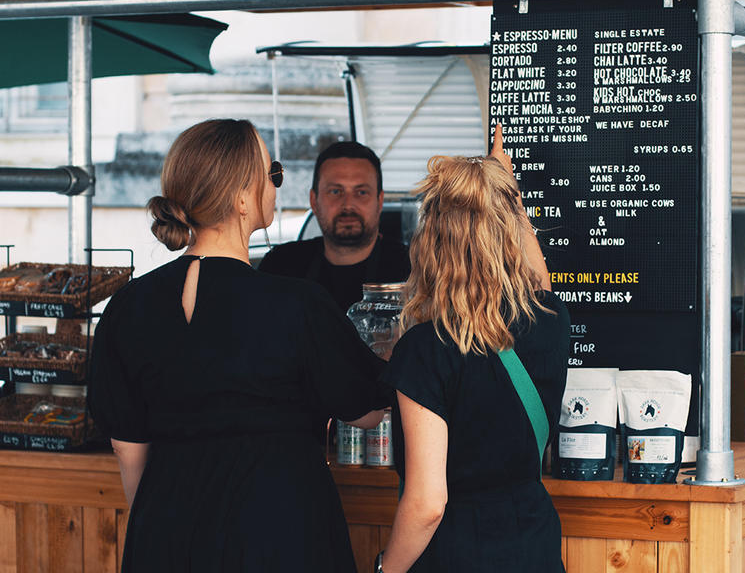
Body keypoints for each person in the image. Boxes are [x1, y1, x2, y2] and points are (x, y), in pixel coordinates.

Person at [88, 119, 390, 573]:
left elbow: (127, 448)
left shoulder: (127, 306)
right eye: (273, 174)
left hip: (163, 535)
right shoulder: (297, 304)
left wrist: (164, 523)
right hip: (281, 534)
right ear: (243, 198)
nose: (276, 186)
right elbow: (366, 411)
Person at [375, 123, 570, 573]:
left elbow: (427, 503)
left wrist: (387, 569)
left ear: (431, 242)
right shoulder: (550, 321)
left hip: (454, 556)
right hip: (535, 551)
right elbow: (537, 281)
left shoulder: (426, 349)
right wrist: (508, 194)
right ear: (507, 234)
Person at [259, 140, 411, 313]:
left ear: (380, 201)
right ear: (314, 201)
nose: (348, 205)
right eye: (335, 191)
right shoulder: (280, 267)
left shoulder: (412, 271)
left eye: (361, 192)